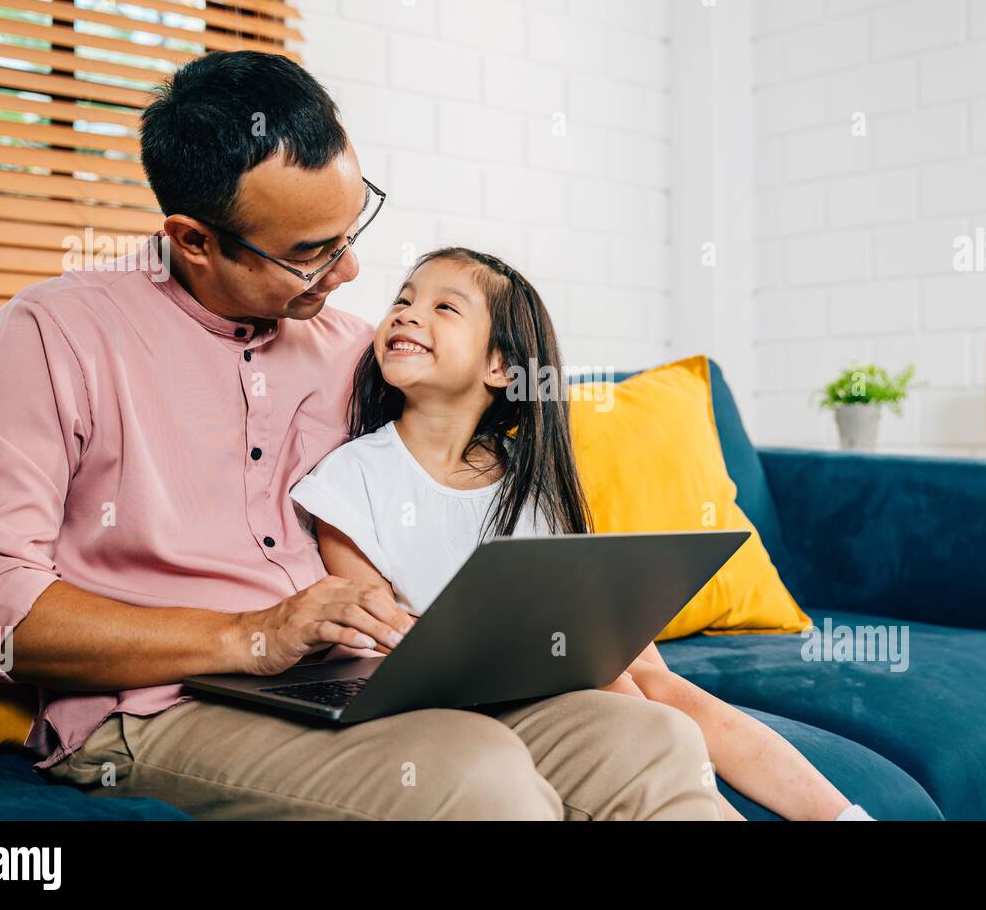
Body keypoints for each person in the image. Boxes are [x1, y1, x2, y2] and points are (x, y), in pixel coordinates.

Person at [0, 50, 722, 820]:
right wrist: (251, 635)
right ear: (194, 239)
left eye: (352, 229)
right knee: (471, 773)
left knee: (647, 739)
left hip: (365, 683)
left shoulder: (356, 350)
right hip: (162, 710)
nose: (347, 276)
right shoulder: (54, 334)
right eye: (311, 254)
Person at [289, 246, 875, 822]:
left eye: (446, 307)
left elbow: (569, 590)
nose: (408, 313)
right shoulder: (351, 477)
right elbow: (369, 630)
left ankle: (843, 815)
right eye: (404, 298)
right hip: (456, 690)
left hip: (552, 660)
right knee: (632, 706)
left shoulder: (526, 474)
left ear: (499, 367)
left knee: (654, 684)